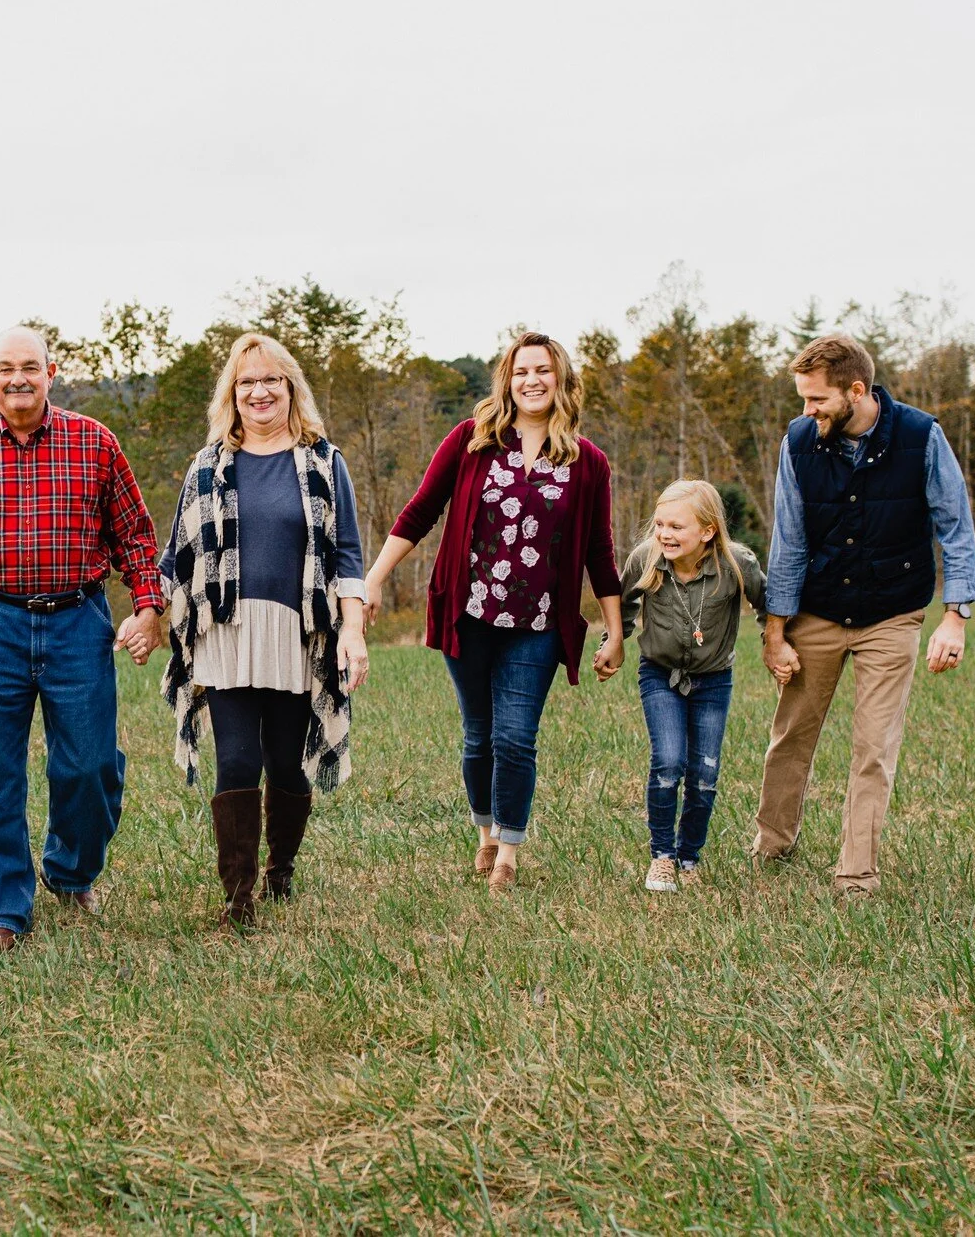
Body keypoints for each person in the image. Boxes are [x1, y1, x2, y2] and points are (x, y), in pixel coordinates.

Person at [0, 326, 163, 952]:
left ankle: (72, 871)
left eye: (30, 366)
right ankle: (6, 902)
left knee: (91, 764)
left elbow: (134, 533)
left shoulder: (94, 442)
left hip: (79, 618)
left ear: (51, 372)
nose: (18, 378)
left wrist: (149, 606)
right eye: (6, 368)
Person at [365, 331, 624, 891]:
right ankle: (484, 832)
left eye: (543, 370)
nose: (532, 381)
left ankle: (508, 850)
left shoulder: (588, 463)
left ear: (561, 380)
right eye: (521, 371)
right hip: (470, 614)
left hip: (539, 625)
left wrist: (615, 629)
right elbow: (421, 510)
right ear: (507, 380)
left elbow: (600, 551)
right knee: (479, 734)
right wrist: (374, 579)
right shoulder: (471, 440)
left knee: (516, 736)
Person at [754, 333, 975, 896]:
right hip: (818, 611)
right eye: (803, 399)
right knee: (790, 736)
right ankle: (771, 847)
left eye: (817, 399)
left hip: (892, 613)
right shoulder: (798, 441)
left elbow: (955, 526)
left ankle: (856, 875)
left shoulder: (921, 436)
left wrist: (955, 616)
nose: (807, 410)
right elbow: (789, 541)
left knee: (873, 747)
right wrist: (776, 632)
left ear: (856, 391)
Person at [160, 332, 369, 927]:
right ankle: (238, 897)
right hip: (224, 633)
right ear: (232, 394)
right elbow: (176, 555)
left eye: (270, 379)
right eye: (246, 382)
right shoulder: (207, 467)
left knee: (285, 764)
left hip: (297, 635)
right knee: (236, 761)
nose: (259, 391)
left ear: (290, 387)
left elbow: (347, 555)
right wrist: (147, 615)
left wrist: (352, 630)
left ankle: (281, 869)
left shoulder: (324, 463)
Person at [617, 480, 766, 893]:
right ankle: (662, 857)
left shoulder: (736, 564)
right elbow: (622, 602)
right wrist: (614, 641)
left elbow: (768, 603)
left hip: (714, 680)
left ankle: (688, 858)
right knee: (668, 762)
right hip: (659, 674)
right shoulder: (646, 559)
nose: (664, 534)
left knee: (704, 773)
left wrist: (775, 642)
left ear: (707, 531)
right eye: (660, 524)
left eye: (676, 527)